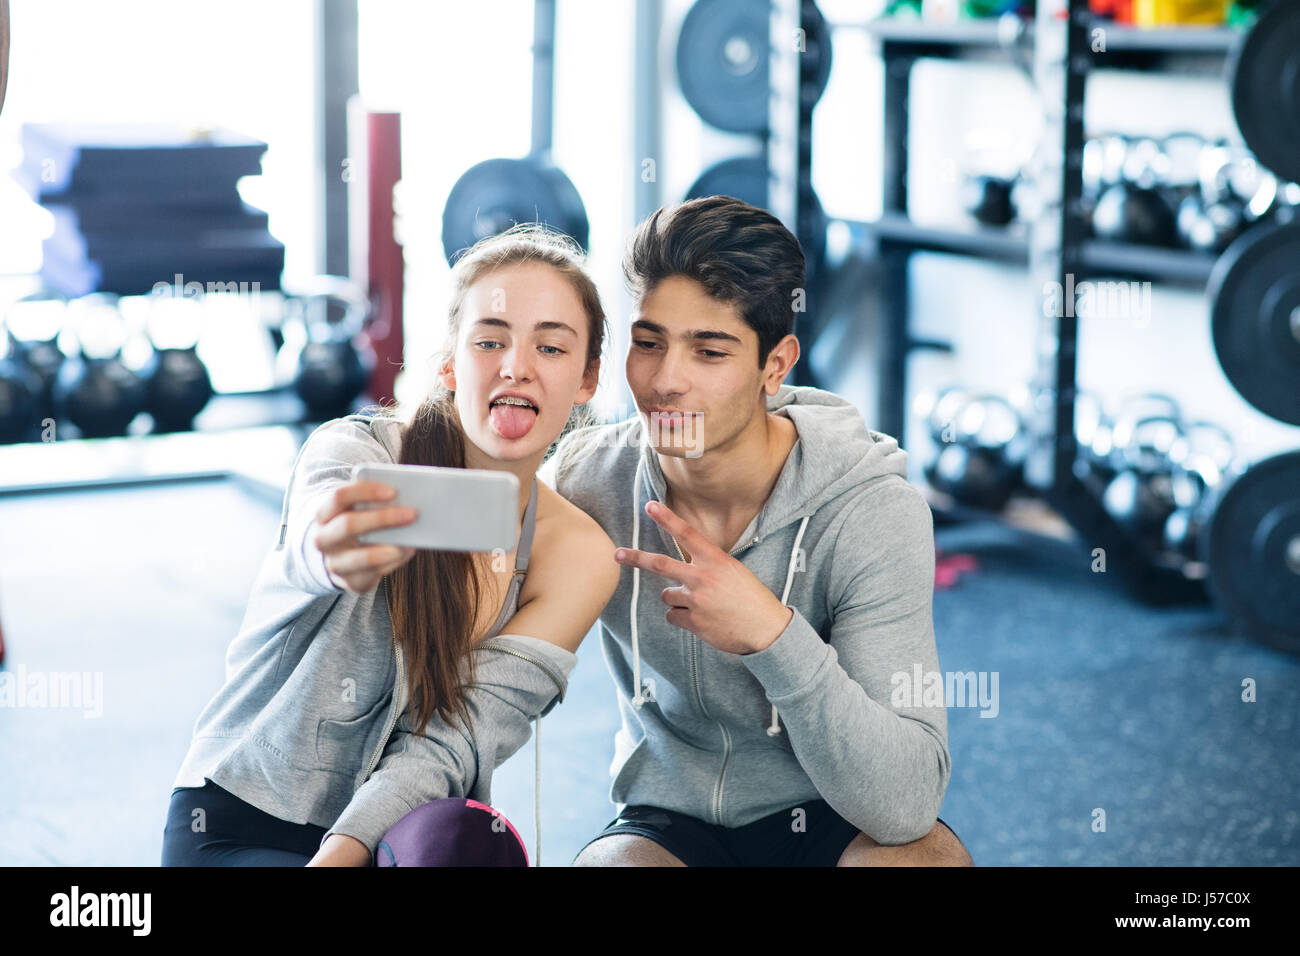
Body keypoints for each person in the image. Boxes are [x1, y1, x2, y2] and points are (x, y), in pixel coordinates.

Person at [161, 225, 620, 867]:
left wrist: (340, 855)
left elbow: (453, 742)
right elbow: (315, 534)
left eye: (550, 346)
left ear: (587, 377)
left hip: (391, 833)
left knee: (470, 847)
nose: (516, 365)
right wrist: (329, 551)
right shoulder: (358, 453)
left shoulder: (576, 554)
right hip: (243, 818)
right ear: (449, 364)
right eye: (489, 340)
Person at [540, 196, 974, 866]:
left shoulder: (872, 511)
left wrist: (772, 635)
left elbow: (905, 799)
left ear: (776, 366)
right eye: (648, 342)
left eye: (709, 352)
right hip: (667, 819)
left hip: (837, 813)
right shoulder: (590, 483)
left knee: (924, 859)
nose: (665, 381)